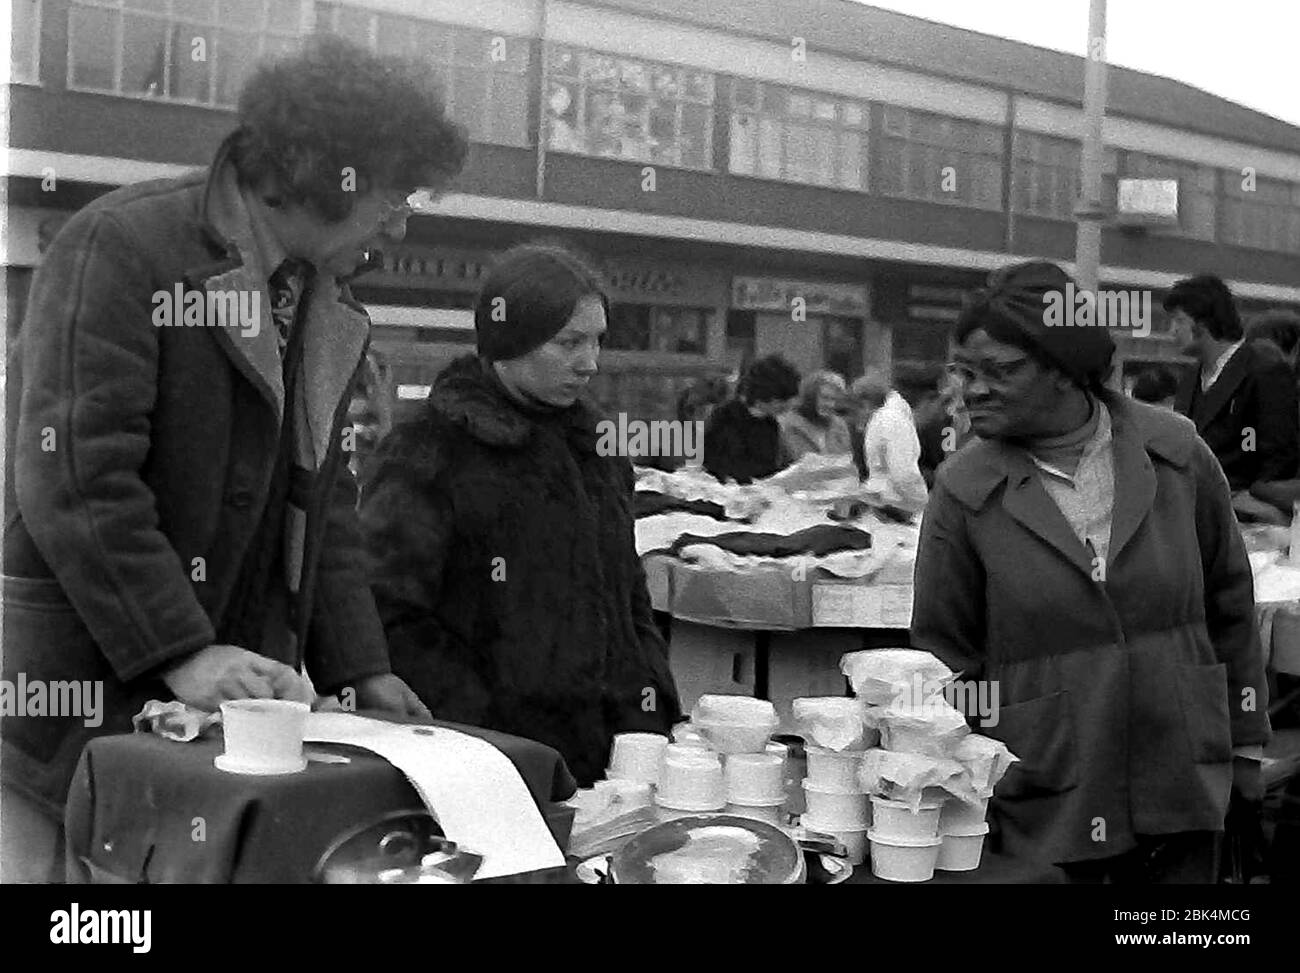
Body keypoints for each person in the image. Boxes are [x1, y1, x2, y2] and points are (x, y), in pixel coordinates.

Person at [0, 37, 461, 882]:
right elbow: (74, 476)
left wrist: (363, 669)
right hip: (72, 700)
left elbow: (327, 502)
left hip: (218, 709)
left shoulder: (319, 296)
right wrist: (180, 650)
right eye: (395, 193)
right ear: (327, 170)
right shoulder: (125, 245)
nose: (400, 222)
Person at [912, 261, 1270, 883]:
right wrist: (986, 767)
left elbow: (1231, 607)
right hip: (1046, 802)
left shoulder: (1177, 453)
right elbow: (946, 657)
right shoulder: (965, 489)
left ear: (1065, 367)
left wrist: (1242, 746)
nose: (972, 391)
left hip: (1182, 780)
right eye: (964, 372)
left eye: (1000, 371)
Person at [359, 244, 682, 786]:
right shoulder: (430, 451)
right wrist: (489, 727)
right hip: (491, 764)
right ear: (511, 339)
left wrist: (650, 702)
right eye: (569, 342)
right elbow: (386, 613)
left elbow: (630, 594)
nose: (590, 362)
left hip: (617, 758)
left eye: (598, 340)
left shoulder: (598, 449)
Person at [1167, 275, 1298, 491]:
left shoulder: (1265, 370)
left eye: (1179, 320)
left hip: (1241, 506)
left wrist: (1255, 498)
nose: (1172, 331)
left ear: (1203, 322)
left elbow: (1279, 456)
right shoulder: (1189, 378)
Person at [702, 355, 800, 484]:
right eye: (781, 400)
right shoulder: (724, 418)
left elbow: (771, 467)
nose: (788, 405)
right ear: (763, 396)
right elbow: (719, 466)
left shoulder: (771, 424)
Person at [851, 367, 929, 512]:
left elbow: (899, 470)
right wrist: (922, 501)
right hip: (894, 501)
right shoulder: (893, 419)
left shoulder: (887, 419)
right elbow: (903, 471)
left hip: (887, 499)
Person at [778, 370, 853, 462]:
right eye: (825, 398)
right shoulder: (786, 424)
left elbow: (847, 460)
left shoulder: (839, 425)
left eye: (834, 400)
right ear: (810, 396)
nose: (830, 405)